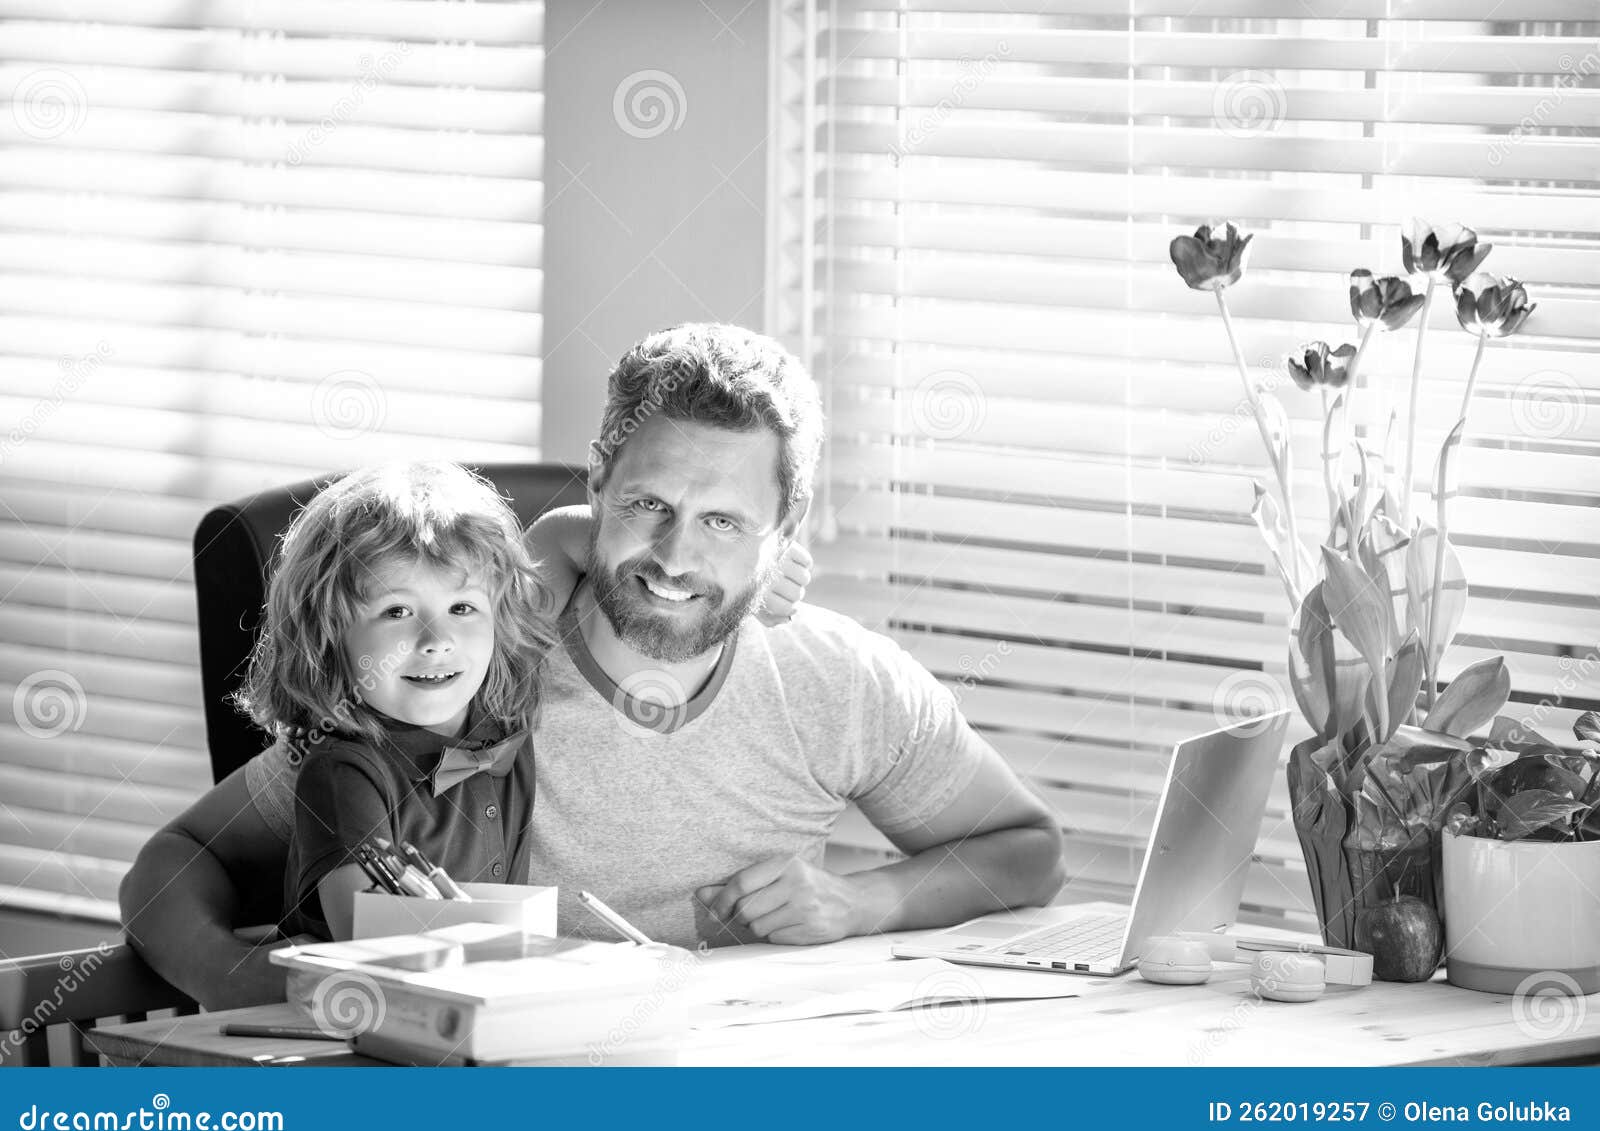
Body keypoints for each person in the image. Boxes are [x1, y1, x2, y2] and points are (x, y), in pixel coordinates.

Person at [120, 323, 1065, 1008]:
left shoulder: (837, 682)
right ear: (598, 485)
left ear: (786, 537)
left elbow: (1027, 851)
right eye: (648, 503)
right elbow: (172, 868)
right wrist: (236, 985)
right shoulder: (471, 667)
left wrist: (866, 901)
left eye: (725, 522)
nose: (675, 558)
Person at [234, 462, 553, 940]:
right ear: (327, 637)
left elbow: (578, 541)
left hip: (485, 999)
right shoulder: (345, 772)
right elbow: (372, 940)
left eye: (462, 607)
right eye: (396, 611)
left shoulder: (502, 726)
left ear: (500, 623)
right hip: (366, 1008)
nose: (436, 639)